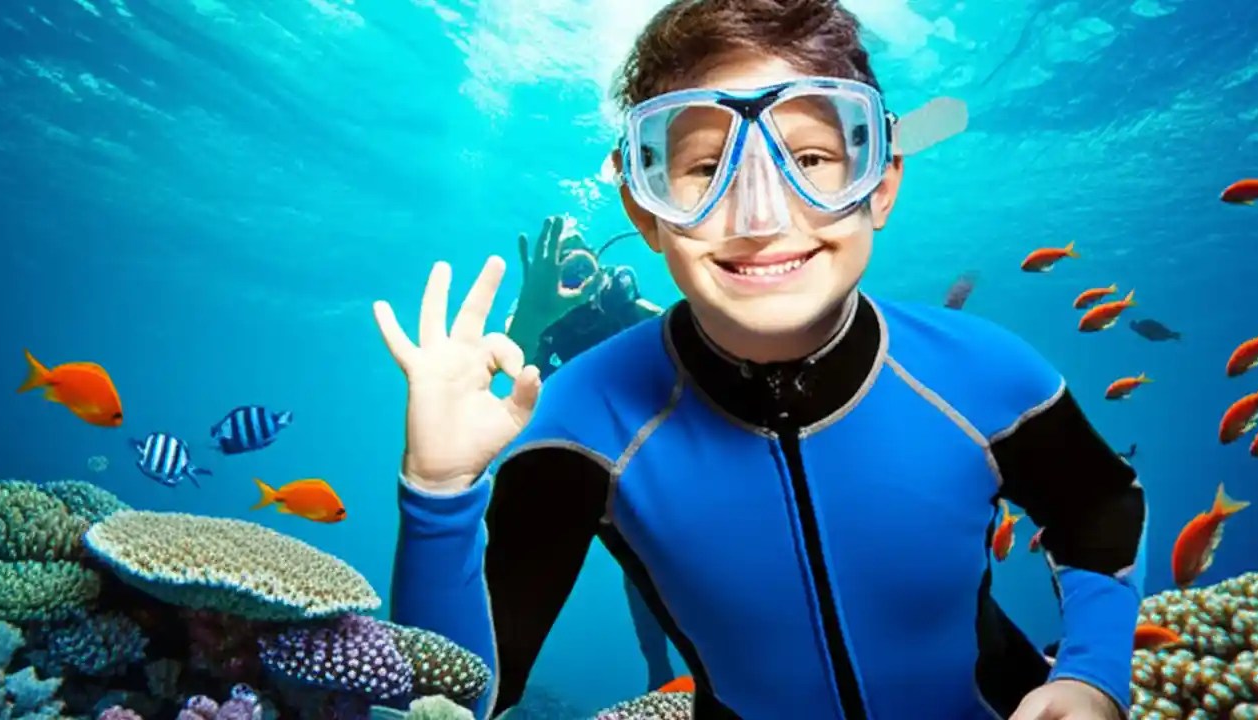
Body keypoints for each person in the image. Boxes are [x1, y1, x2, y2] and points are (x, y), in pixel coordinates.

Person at [373, 1, 1146, 718]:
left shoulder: (984, 371)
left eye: (808, 158)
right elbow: (462, 697)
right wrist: (438, 492)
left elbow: (1100, 510)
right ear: (646, 211)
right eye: (704, 170)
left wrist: (1094, 674)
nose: (760, 213)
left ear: (879, 185)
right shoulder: (580, 421)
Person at [507, 215, 677, 690]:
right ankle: (659, 669)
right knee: (632, 559)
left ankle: (680, 667)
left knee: (654, 555)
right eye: (565, 268)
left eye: (583, 262)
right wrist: (532, 315)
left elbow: (682, 334)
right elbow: (512, 362)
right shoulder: (539, 317)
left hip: (648, 448)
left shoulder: (621, 304)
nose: (576, 277)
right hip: (585, 452)